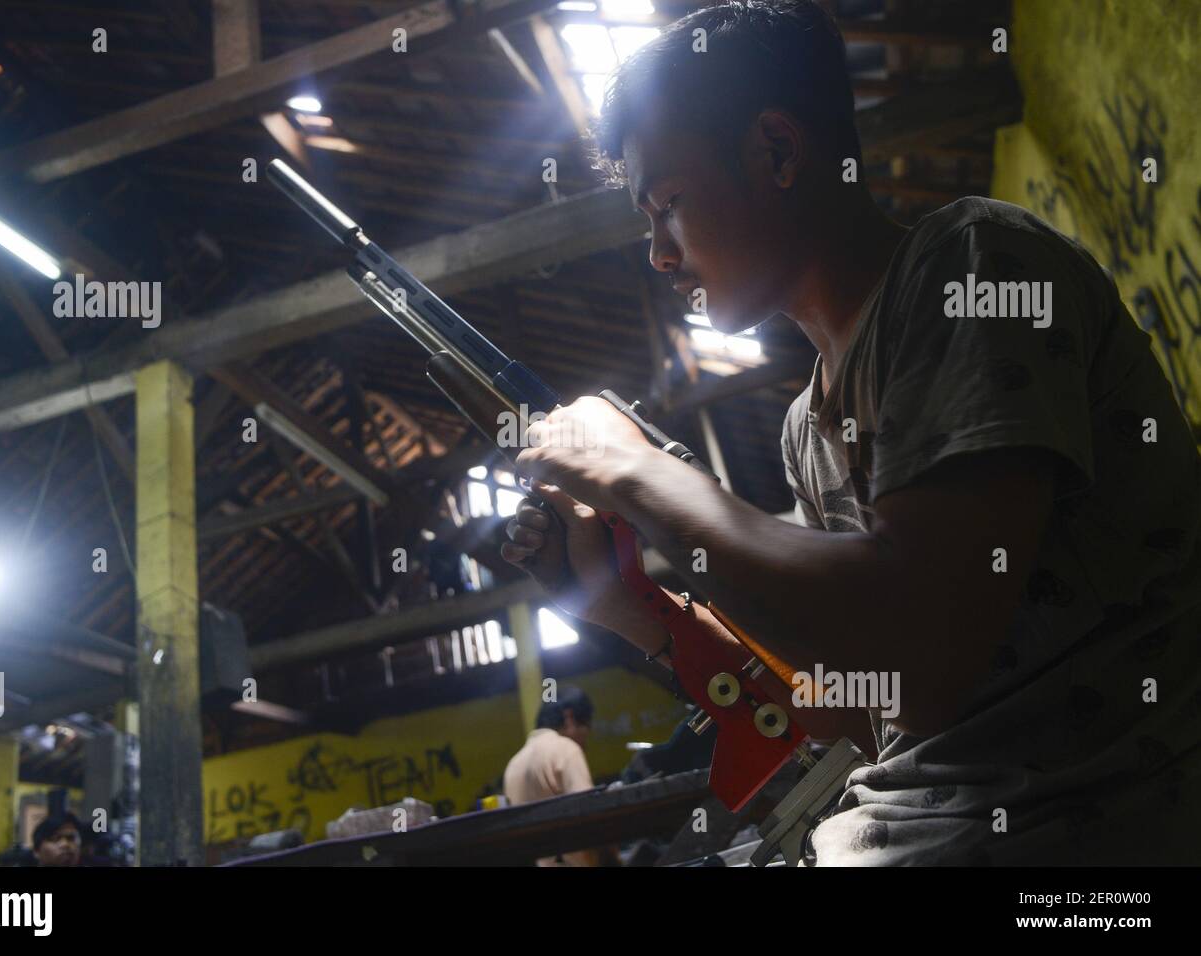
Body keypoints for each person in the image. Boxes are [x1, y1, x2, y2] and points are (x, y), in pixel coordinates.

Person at [502, 0, 1201, 865]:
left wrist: (645, 478)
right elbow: (847, 705)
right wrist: (627, 602)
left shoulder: (972, 268)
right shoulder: (807, 426)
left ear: (778, 151)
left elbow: (922, 651)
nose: (658, 253)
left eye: (669, 204)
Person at [503, 687, 602, 865]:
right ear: (570, 717)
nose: (586, 739)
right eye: (587, 726)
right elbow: (589, 817)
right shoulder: (566, 749)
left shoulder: (513, 764)